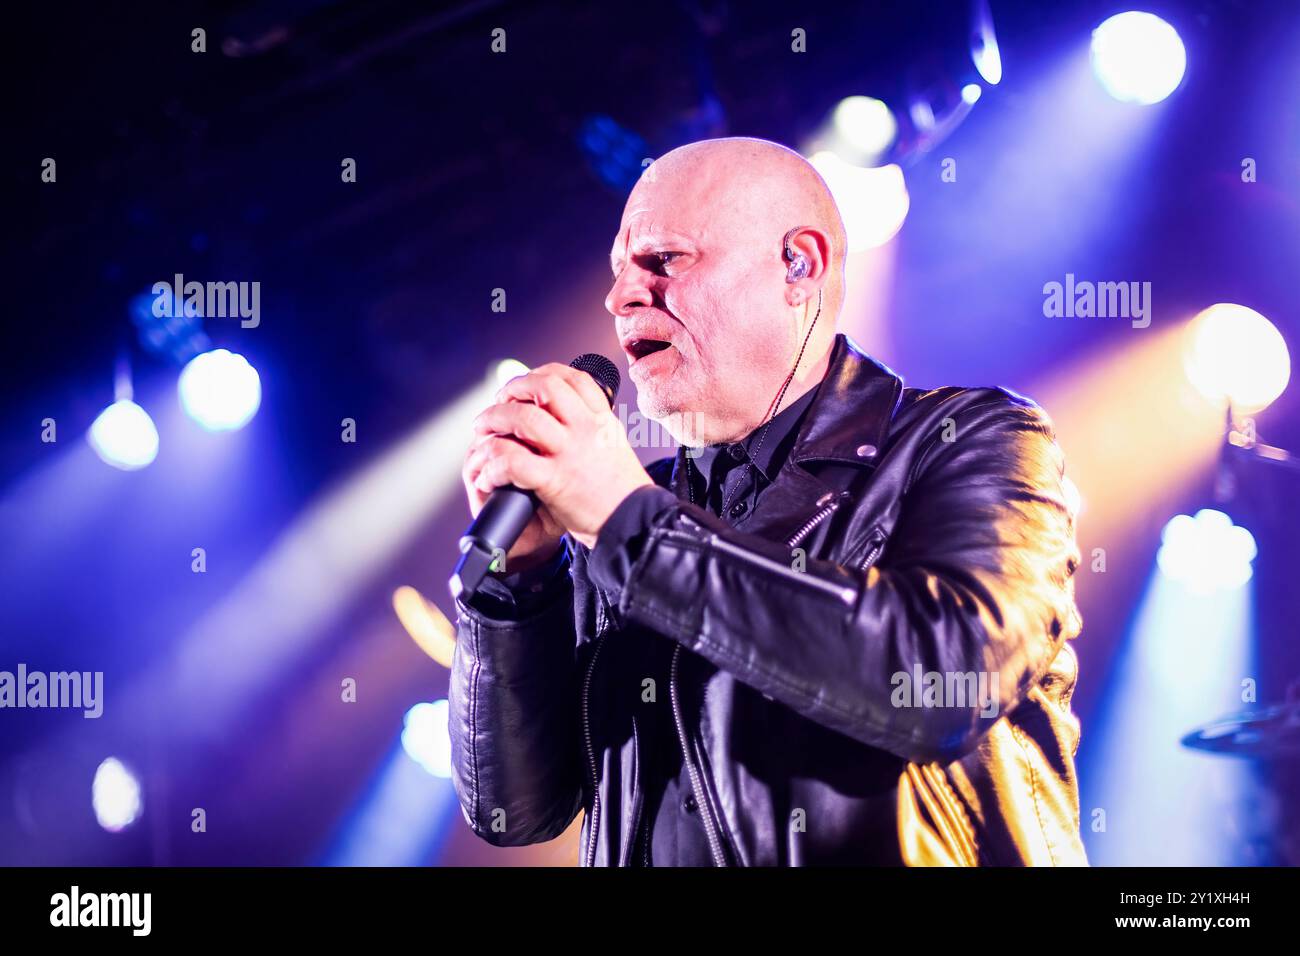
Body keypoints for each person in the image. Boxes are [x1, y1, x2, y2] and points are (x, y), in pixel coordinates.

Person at [450, 136, 1087, 865]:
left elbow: (945, 677)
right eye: (619, 269)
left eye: (662, 259)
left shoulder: (968, 438)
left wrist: (630, 526)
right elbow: (517, 813)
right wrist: (519, 587)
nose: (620, 294)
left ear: (798, 266)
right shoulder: (635, 507)